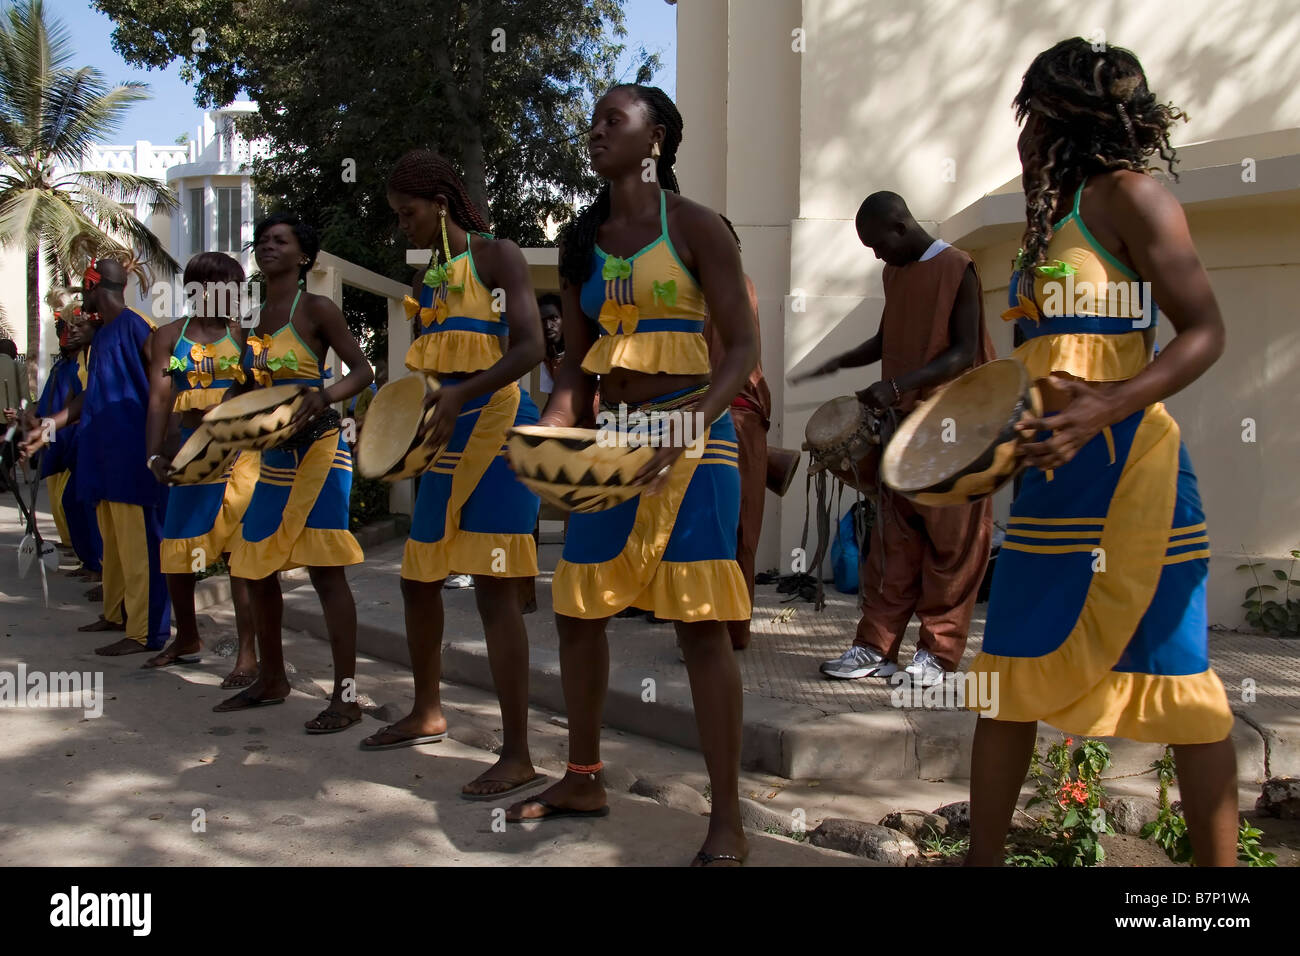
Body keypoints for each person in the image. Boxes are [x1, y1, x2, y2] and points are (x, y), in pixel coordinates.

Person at [964, 39, 1236, 866]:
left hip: (1134, 479)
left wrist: (1107, 407)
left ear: (1054, 117)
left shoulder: (1133, 198)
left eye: (1027, 114)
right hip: (1050, 489)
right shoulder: (1053, 215)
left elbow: (1206, 332)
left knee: (1178, 687)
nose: (1020, 133)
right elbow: (1047, 361)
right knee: (1002, 682)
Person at [505, 84, 758, 867]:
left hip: (694, 442)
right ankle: (584, 778)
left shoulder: (698, 227)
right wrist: (549, 430)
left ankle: (727, 819)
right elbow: (576, 370)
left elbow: (743, 350)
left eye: (613, 121)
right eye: (594, 122)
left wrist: (686, 425)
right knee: (579, 613)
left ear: (657, 140)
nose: (595, 133)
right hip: (613, 447)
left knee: (700, 628)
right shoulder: (584, 242)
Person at [362, 149, 547, 802]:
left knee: (496, 593)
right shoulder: (427, 285)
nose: (402, 226)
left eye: (408, 213)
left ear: (441, 205)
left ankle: (519, 753)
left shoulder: (498, 259)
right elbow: (431, 377)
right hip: (442, 442)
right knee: (418, 581)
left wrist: (465, 395)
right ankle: (427, 710)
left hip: (498, 436)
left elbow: (531, 347)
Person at [797, 192, 995, 686]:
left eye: (877, 243)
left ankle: (938, 654)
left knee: (952, 545)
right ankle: (874, 648)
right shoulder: (895, 272)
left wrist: (898, 386)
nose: (875, 254)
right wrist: (845, 361)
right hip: (900, 427)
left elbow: (963, 351)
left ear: (901, 226)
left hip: (953, 428)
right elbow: (888, 340)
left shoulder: (958, 267)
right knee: (891, 543)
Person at [213, 214, 374, 733]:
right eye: (262, 241)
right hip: (271, 455)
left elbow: (363, 372)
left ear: (304, 255)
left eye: (280, 241)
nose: (268, 247)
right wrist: (213, 429)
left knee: (327, 573)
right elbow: (243, 389)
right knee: (252, 568)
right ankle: (273, 678)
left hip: (322, 450)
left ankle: (346, 698)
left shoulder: (317, 309)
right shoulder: (254, 318)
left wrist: (323, 395)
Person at [23, 258, 171, 654]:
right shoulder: (102, 337)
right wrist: (49, 425)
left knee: (140, 546)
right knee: (116, 543)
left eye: (82, 288)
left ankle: (145, 632)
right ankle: (117, 613)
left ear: (93, 285)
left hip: (133, 455)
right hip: (103, 453)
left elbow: (167, 380)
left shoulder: (137, 325)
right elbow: (89, 396)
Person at [142, 252, 260, 689]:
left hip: (241, 460)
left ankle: (247, 656)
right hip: (190, 459)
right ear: (194, 289)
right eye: (213, 285)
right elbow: (158, 400)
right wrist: (153, 455)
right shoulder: (169, 337)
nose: (224, 295)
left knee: (241, 559)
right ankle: (186, 638)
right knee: (178, 556)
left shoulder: (246, 335)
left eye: (232, 286)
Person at [705, 273, 770, 651]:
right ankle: (718, 626)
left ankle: (726, 629)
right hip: (720, 415)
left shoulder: (733, 282)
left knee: (734, 529)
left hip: (730, 416)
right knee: (724, 529)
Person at [34, 320, 83, 552]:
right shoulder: (59, 368)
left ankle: (82, 550)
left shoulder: (80, 366)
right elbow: (46, 404)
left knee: (69, 498)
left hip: (71, 439)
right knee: (56, 498)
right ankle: (70, 542)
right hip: (52, 437)